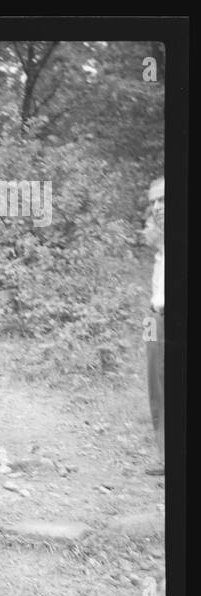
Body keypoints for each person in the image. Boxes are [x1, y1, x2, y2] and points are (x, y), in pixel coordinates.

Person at [144, 177, 165, 475]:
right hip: (152, 317)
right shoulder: (159, 238)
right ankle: (165, 455)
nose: (158, 207)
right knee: (155, 385)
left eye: (163, 200)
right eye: (153, 203)